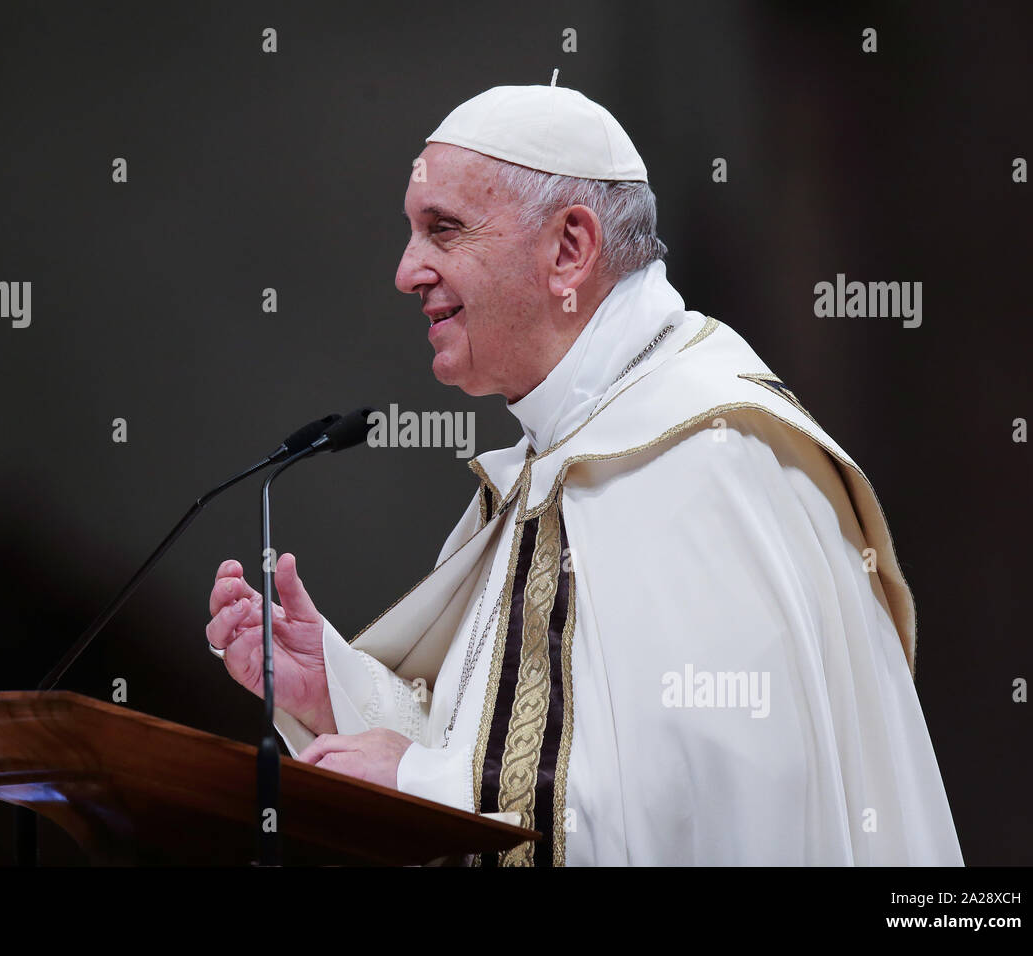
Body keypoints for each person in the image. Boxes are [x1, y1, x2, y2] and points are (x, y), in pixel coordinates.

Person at [205, 81, 964, 866]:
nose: (407, 271)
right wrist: (337, 694)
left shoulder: (702, 459)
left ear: (570, 249)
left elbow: (711, 813)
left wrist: (417, 782)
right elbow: (522, 753)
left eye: (444, 230)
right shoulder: (566, 453)